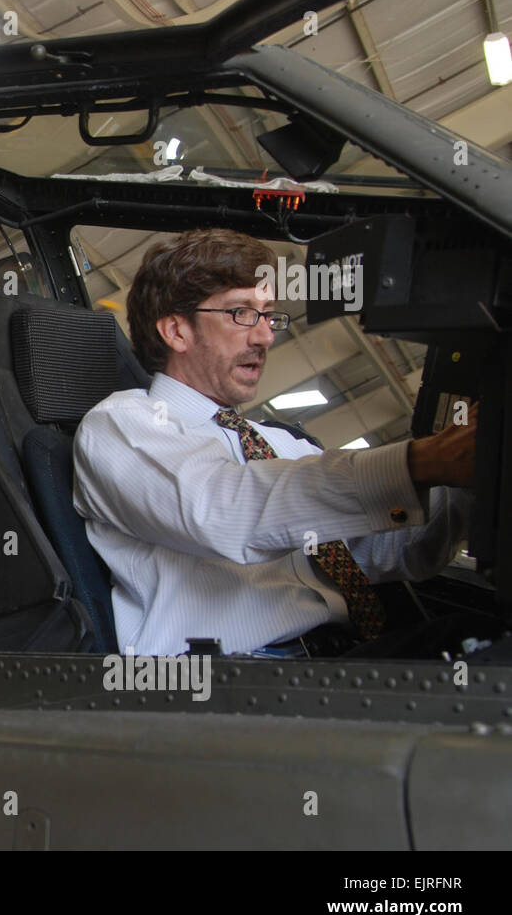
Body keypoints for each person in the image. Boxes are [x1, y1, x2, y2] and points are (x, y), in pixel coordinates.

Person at [72, 228, 478, 657]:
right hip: (225, 679)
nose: (265, 336)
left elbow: (382, 549)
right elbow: (224, 513)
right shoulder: (122, 423)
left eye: (269, 315)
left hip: (335, 655)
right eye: (241, 314)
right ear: (176, 331)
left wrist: (469, 480)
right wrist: (419, 462)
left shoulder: (281, 443)